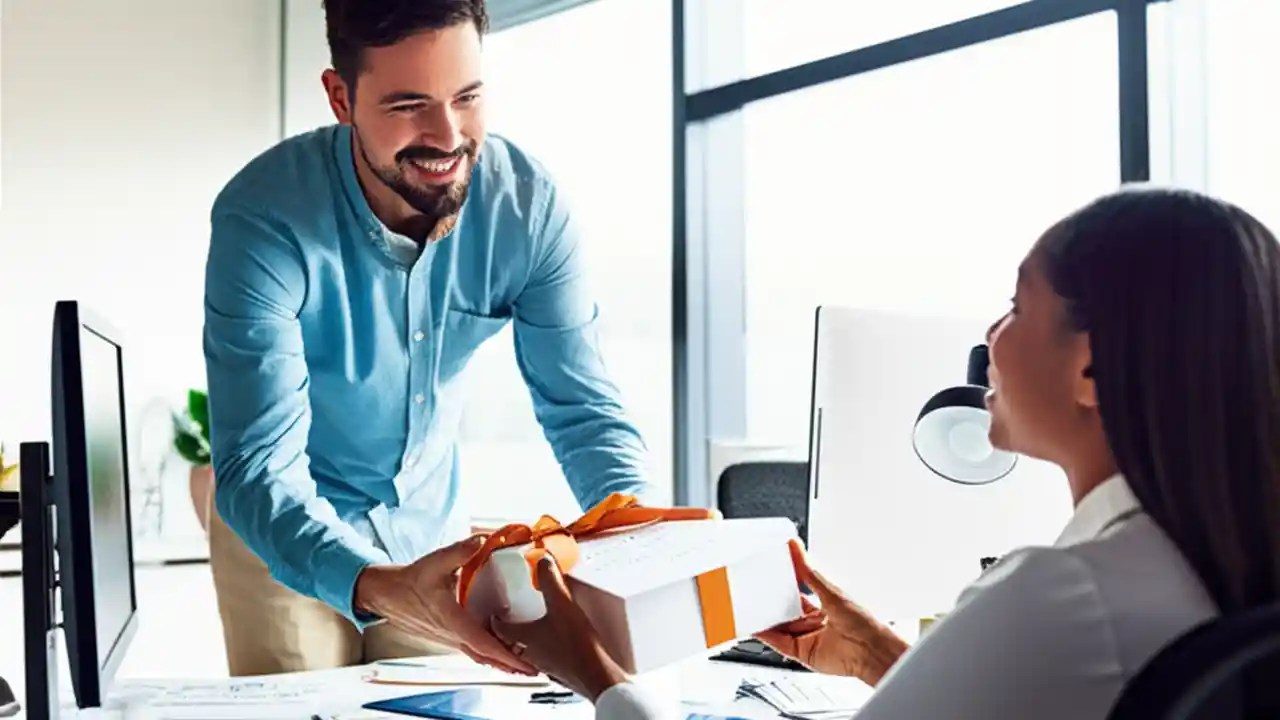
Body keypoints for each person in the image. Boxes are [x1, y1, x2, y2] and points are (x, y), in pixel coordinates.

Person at [490, 187, 1280, 719]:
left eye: (1014, 307)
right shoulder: (1206, 569)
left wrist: (598, 678)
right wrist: (875, 653)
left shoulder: (1063, 595)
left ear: (1093, 366)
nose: (989, 340)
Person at [203, 0, 652, 676]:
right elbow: (261, 469)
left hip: (427, 533)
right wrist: (377, 584)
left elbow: (584, 410)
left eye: (467, 97)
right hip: (282, 538)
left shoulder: (526, 209)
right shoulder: (264, 218)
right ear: (340, 97)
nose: (448, 136)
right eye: (409, 105)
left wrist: (649, 545)